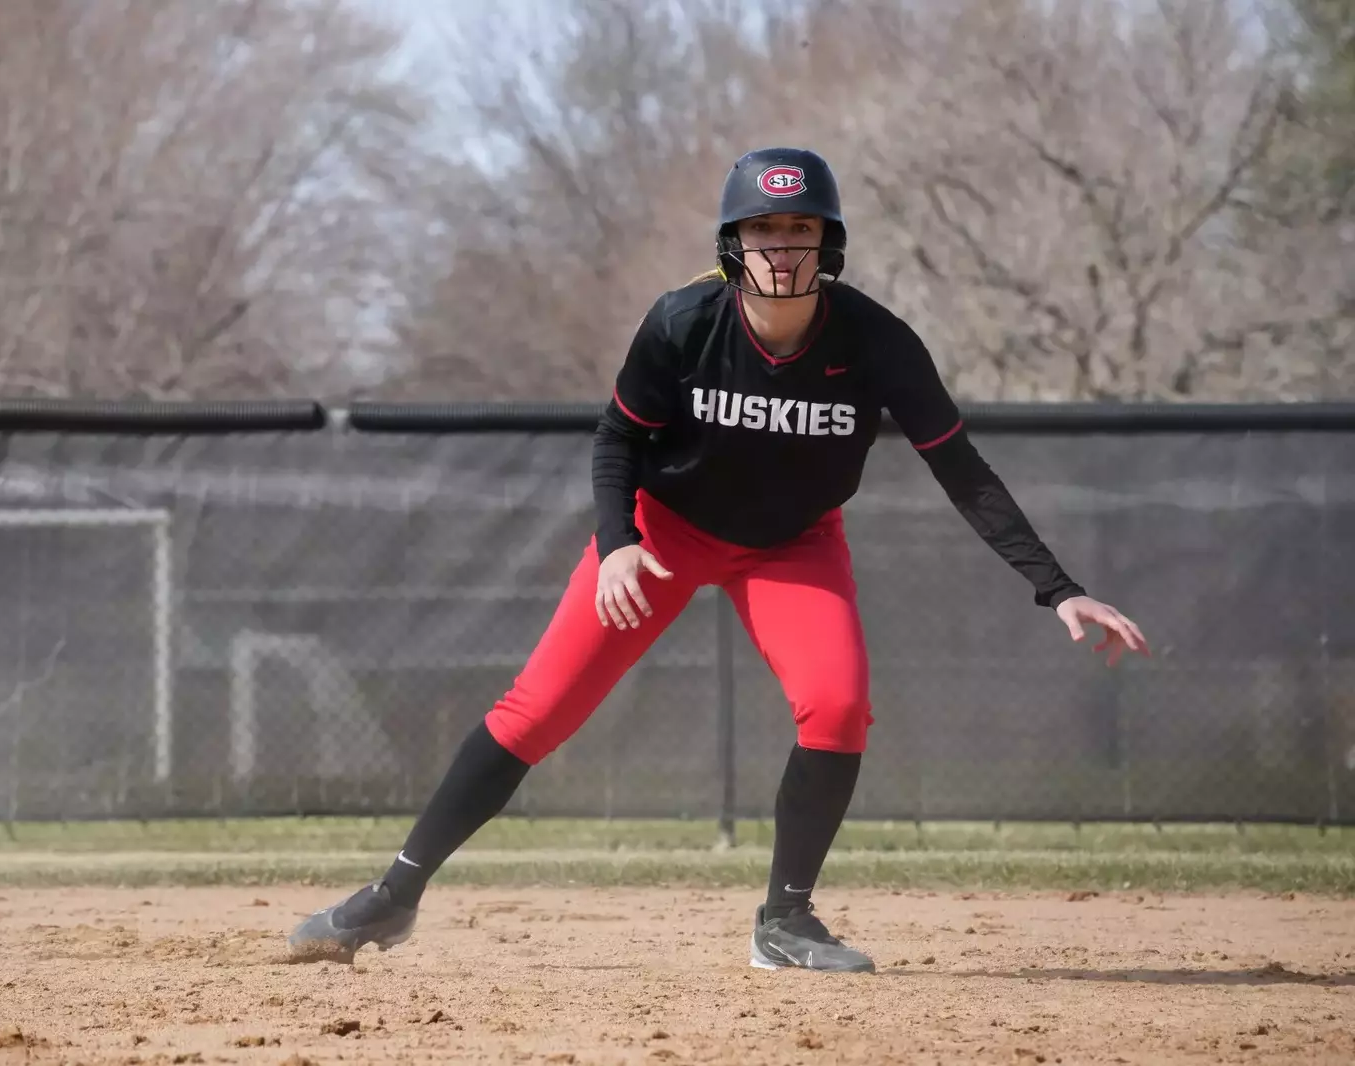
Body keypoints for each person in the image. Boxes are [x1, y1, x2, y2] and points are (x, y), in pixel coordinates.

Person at [285, 146, 1149, 974]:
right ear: (734, 242)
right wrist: (617, 546)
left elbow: (961, 469)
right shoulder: (683, 321)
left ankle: (786, 921)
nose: (783, 247)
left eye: (801, 228)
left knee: (838, 706)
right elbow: (617, 440)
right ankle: (393, 894)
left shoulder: (876, 341)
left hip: (793, 543)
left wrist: (1058, 589)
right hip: (663, 531)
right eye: (764, 229)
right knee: (536, 713)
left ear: (829, 242)